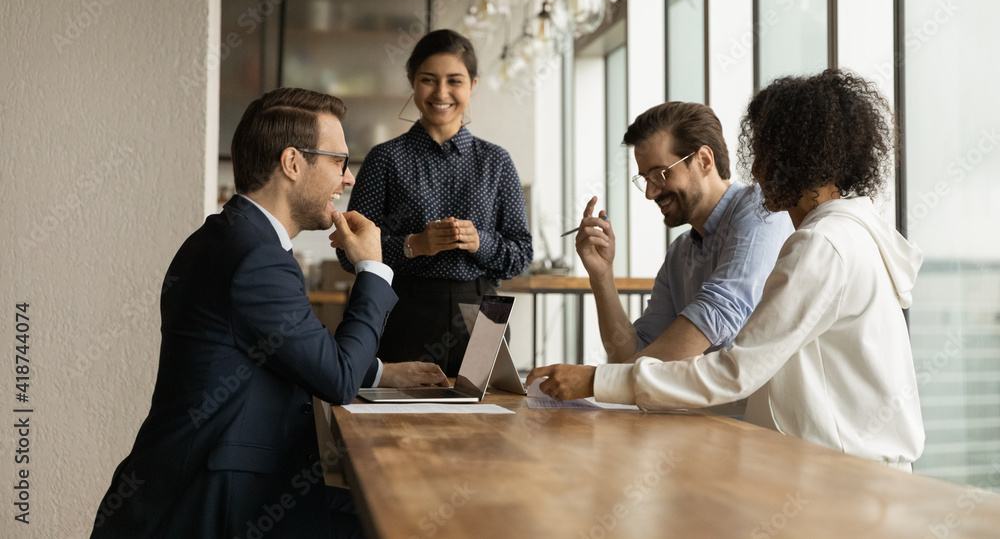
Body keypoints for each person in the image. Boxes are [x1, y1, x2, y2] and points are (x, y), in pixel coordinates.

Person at [91, 88, 447, 538]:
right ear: (293, 163)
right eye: (339, 161)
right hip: (216, 500)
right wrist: (373, 268)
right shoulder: (255, 257)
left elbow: (302, 349)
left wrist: (380, 372)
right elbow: (335, 378)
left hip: (214, 481)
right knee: (404, 513)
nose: (349, 179)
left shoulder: (234, 237)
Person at [529, 69, 925, 470]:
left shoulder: (821, 243)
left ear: (800, 157)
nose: (755, 172)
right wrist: (602, 282)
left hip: (846, 479)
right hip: (826, 468)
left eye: (766, 154)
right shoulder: (842, 234)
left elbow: (736, 372)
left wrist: (599, 381)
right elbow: (742, 376)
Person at [338, 29, 533, 376]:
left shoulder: (497, 161)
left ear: (472, 85)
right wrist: (415, 245)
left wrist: (481, 243)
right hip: (402, 309)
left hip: (484, 313)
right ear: (413, 83)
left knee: (486, 422)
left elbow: (521, 256)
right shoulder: (384, 158)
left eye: (454, 81)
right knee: (398, 424)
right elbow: (346, 251)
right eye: (428, 80)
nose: (441, 93)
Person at [575, 101, 793, 364]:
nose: (650, 193)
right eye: (645, 179)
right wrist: (601, 275)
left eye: (660, 174)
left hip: (752, 405)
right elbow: (632, 354)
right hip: (702, 405)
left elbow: (717, 312)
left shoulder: (760, 210)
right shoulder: (680, 253)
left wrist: (601, 380)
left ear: (703, 160)